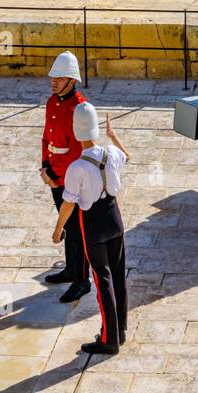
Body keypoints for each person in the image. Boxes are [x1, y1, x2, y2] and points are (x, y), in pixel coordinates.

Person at [53, 103, 129, 357]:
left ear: (76, 132)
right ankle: (120, 329)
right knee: (118, 275)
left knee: (102, 280)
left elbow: (68, 203)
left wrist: (58, 228)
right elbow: (126, 156)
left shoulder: (77, 168)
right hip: (115, 218)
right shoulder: (111, 153)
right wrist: (114, 136)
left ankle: (109, 339)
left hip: (94, 225)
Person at [40, 51, 90, 304]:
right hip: (55, 174)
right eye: (53, 78)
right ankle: (71, 269)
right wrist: (44, 166)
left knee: (76, 228)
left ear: (72, 81)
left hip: (69, 178)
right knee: (69, 227)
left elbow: (76, 150)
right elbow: (47, 138)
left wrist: (55, 175)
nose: (54, 82)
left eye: (59, 78)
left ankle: (82, 280)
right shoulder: (52, 102)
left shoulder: (79, 108)